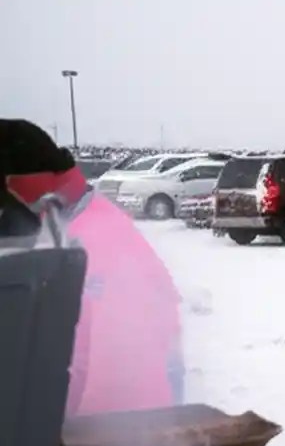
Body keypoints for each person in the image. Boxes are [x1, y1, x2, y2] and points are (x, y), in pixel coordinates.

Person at [0, 119, 183, 417]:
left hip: (116, 439)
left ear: (19, 191)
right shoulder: (75, 229)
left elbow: (92, 373)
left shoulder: (91, 249)